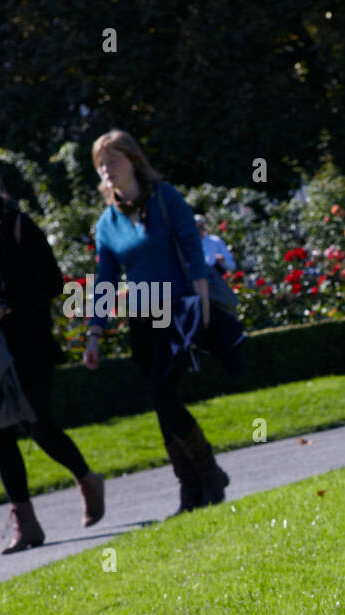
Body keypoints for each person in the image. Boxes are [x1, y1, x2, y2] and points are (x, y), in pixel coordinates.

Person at [0, 150, 105, 554]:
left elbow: (51, 281)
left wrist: (7, 305)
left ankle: (86, 478)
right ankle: (26, 524)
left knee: (39, 425)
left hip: (27, 344)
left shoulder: (18, 224)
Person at [82, 129, 229, 516]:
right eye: (100, 164)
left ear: (133, 160)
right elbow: (106, 282)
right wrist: (94, 334)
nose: (106, 169)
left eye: (112, 160)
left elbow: (192, 248)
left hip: (179, 309)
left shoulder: (166, 197)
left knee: (164, 393)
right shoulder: (108, 223)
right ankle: (191, 487)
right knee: (159, 399)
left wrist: (202, 303)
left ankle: (208, 472)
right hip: (143, 316)